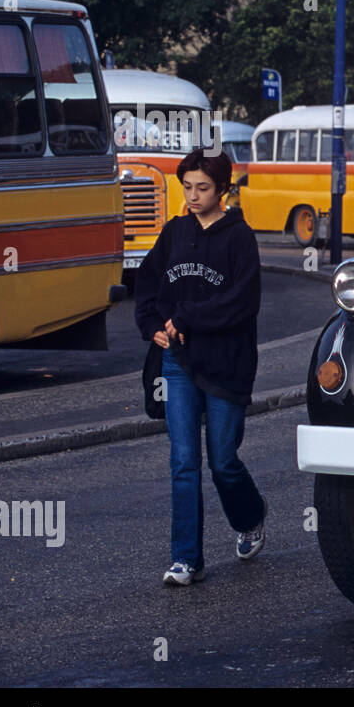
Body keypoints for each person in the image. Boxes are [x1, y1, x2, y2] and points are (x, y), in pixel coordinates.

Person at [135, 149, 267, 586]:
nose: (192, 196)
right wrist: (152, 324)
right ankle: (186, 560)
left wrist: (189, 317)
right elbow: (149, 282)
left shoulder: (239, 237)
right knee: (183, 462)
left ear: (223, 189)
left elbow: (244, 302)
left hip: (227, 364)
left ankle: (249, 517)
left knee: (223, 462)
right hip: (178, 362)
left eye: (202, 188)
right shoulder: (174, 232)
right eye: (187, 186)